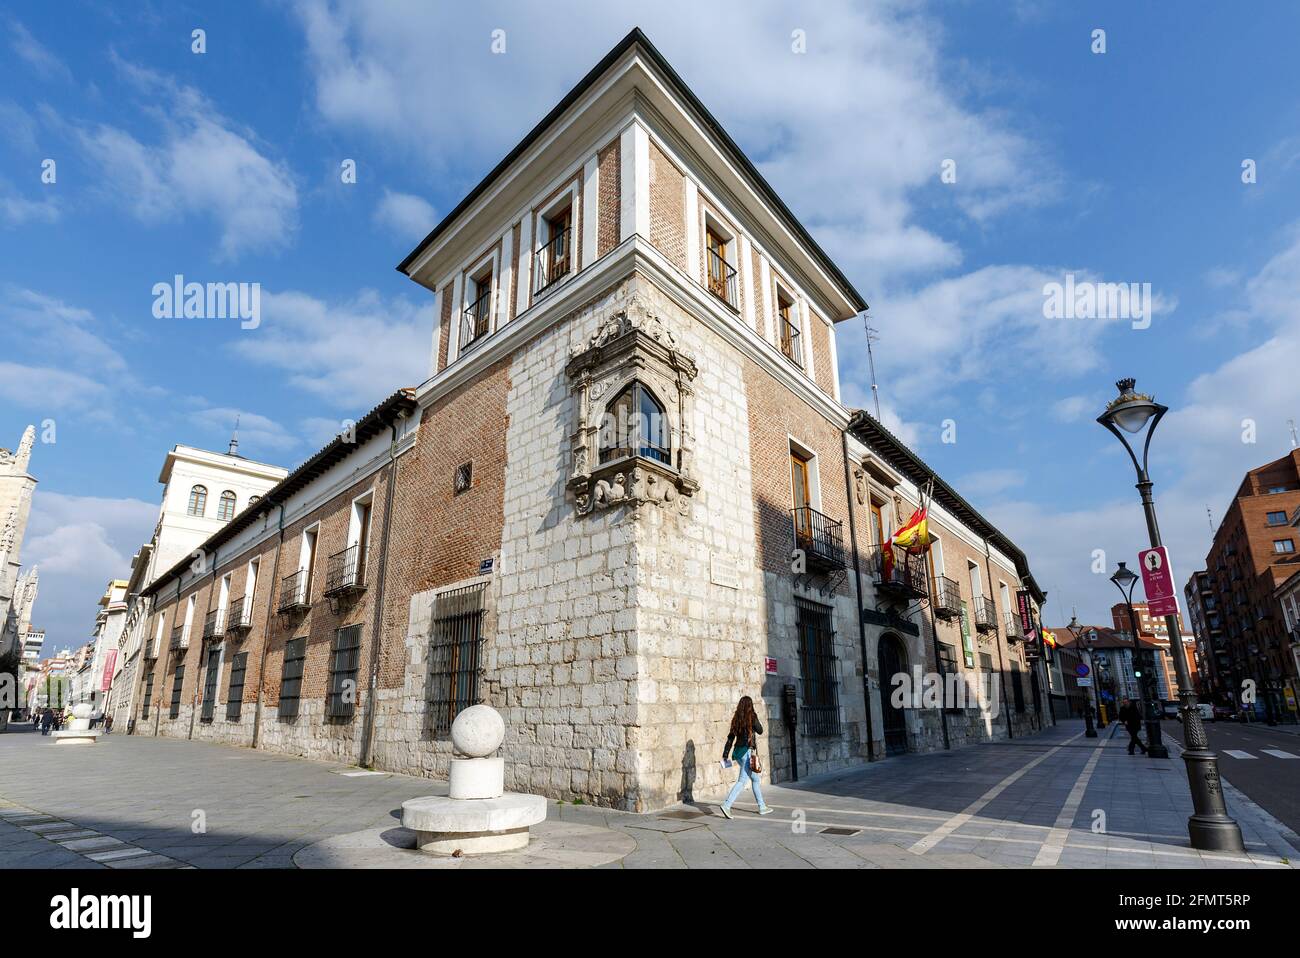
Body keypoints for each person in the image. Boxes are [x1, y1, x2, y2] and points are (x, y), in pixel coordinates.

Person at [718, 695, 773, 819]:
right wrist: (755, 717)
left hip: (738, 753)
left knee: (755, 780)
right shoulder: (752, 717)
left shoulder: (736, 718)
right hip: (747, 752)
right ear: (750, 706)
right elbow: (760, 730)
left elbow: (730, 738)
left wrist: (725, 754)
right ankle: (727, 805)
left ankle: (762, 806)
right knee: (742, 781)